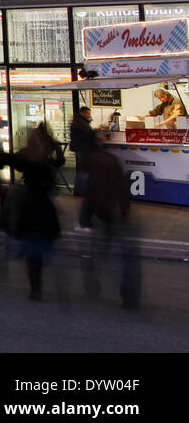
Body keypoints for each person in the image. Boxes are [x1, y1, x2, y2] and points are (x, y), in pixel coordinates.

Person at [0, 123, 62, 301]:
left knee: (30, 241)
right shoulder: (46, 158)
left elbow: (7, 160)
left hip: (28, 203)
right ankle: (45, 264)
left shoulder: (25, 156)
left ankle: (35, 286)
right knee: (43, 237)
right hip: (44, 203)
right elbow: (57, 166)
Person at [82, 146, 141, 309]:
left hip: (104, 215)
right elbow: (121, 188)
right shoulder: (111, 161)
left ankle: (92, 286)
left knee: (97, 252)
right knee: (128, 257)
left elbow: (90, 195)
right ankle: (130, 297)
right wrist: (125, 210)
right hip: (118, 213)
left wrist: (84, 220)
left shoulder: (94, 166)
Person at [69, 106, 97, 231]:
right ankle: (81, 190)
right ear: (84, 113)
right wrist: (95, 130)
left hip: (80, 148)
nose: (89, 115)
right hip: (82, 148)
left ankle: (79, 189)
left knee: (81, 169)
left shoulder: (79, 121)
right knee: (83, 170)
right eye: (88, 114)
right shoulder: (80, 122)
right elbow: (87, 133)